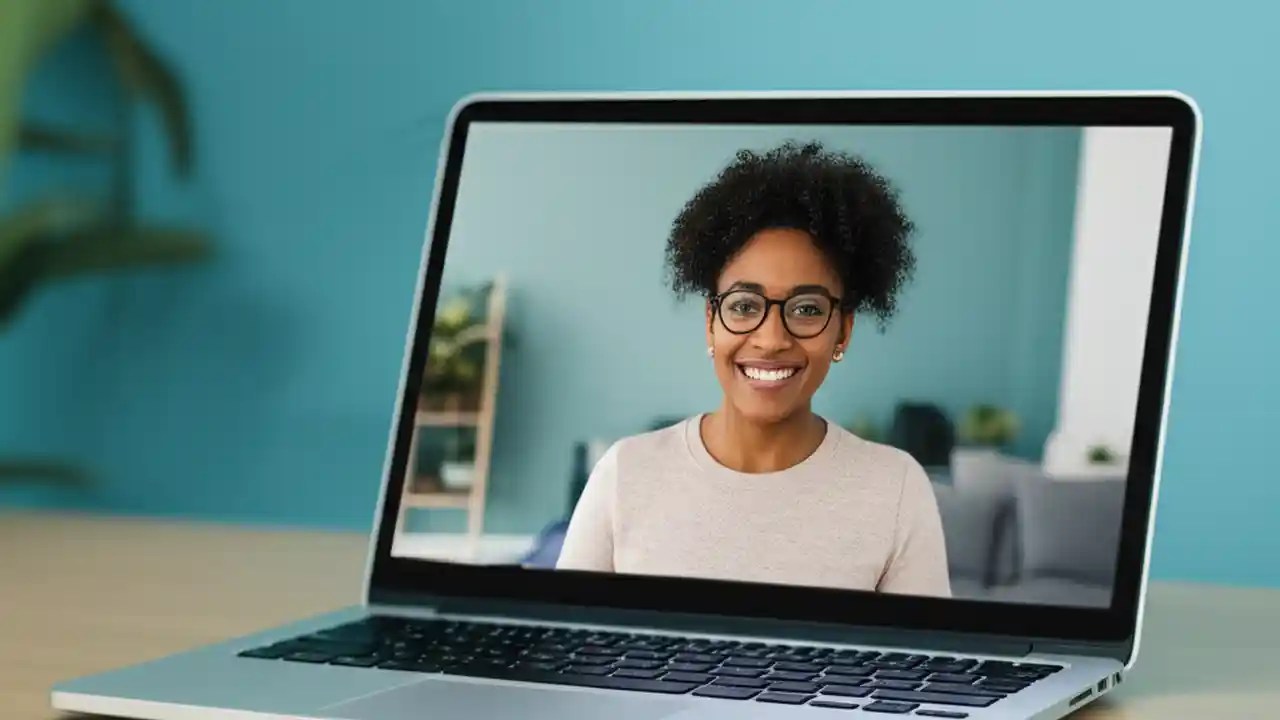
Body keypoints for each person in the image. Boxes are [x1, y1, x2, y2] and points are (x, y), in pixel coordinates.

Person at [556, 141, 951, 598]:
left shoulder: (895, 488)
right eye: (744, 305)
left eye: (806, 309)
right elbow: (568, 651)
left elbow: (917, 666)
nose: (771, 339)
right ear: (710, 322)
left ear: (842, 331)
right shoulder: (625, 473)